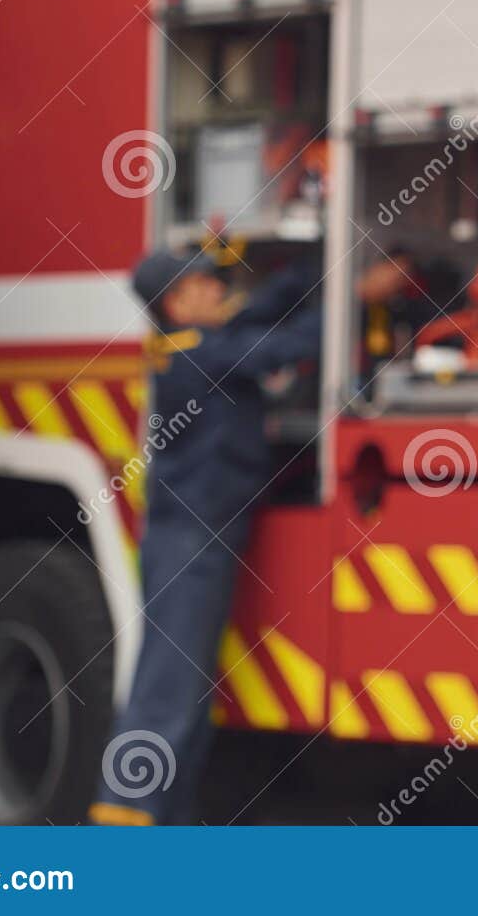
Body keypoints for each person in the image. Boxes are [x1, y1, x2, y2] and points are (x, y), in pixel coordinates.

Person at [88, 246, 322, 825]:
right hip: (190, 542)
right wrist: (348, 299)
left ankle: (166, 825)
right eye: (206, 285)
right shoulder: (198, 355)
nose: (220, 291)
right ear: (179, 301)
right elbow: (286, 346)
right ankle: (122, 819)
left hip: (197, 537)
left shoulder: (197, 344)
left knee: (187, 694)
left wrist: (305, 269)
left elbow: (251, 312)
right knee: (166, 691)